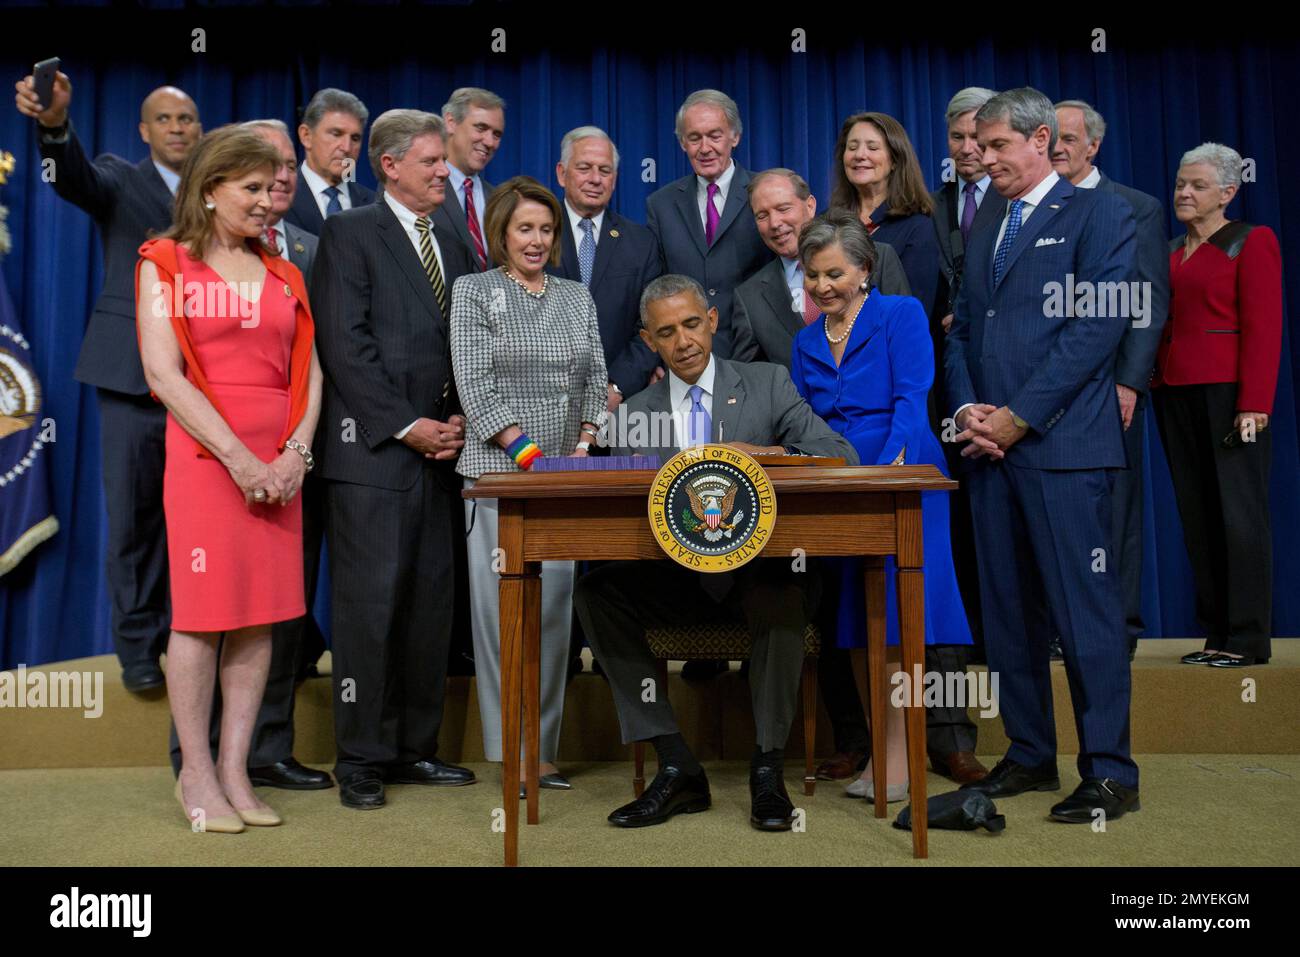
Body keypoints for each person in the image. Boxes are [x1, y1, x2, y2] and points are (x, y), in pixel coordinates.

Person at [574, 274, 858, 832]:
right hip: (680, 579)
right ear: (648, 340)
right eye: (665, 332)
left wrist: (767, 452)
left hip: (763, 571)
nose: (682, 341)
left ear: (712, 320)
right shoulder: (634, 412)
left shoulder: (768, 383)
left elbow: (838, 454)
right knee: (596, 592)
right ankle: (677, 763)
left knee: (781, 599)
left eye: (690, 324)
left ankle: (767, 770)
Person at [945, 87, 1140, 823]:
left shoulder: (1101, 212)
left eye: (996, 146)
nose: (981, 157)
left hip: (1062, 451)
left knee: (1082, 614)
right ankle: (1029, 752)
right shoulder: (988, 214)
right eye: (976, 145)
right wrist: (968, 411)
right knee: (1008, 617)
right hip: (987, 451)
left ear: (1040, 141)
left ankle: (1111, 770)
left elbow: (1097, 332)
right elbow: (962, 324)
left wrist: (1020, 417)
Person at [134, 125, 322, 832]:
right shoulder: (164, 262)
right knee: (203, 614)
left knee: (259, 614)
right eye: (252, 189)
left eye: (272, 189)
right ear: (211, 189)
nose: (268, 202)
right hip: (208, 460)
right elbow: (161, 372)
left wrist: (295, 455)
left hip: (279, 464)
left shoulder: (285, 271)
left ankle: (238, 768)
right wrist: (241, 461)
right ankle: (197, 771)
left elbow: (312, 372)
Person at [311, 109, 477, 810]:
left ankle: (415, 747)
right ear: (391, 165)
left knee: (428, 610)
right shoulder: (349, 233)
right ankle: (362, 758)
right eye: (434, 161)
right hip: (373, 456)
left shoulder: (454, 235)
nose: (446, 171)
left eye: (444, 161)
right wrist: (408, 425)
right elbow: (346, 347)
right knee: (369, 611)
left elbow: (467, 333)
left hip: (444, 457)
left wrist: (467, 413)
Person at [15, 71, 202, 693]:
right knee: (134, 519)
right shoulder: (120, 177)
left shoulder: (221, 189)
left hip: (208, 384)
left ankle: (198, 641)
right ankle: (140, 652)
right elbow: (72, 178)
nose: (178, 129)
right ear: (143, 131)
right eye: (166, 120)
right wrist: (52, 128)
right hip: (130, 380)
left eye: (187, 120)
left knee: (201, 521)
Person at [790, 211, 973, 802]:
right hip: (838, 488)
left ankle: (901, 759)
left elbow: (911, 399)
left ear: (864, 270)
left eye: (835, 273)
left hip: (903, 477)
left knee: (901, 621)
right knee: (861, 626)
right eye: (813, 275)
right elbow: (807, 422)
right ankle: (879, 752)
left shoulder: (901, 315)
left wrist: (888, 472)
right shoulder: (804, 340)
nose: (823, 286)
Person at [451, 176, 607, 793]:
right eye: (525, 229)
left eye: (546, 229)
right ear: (502, 234)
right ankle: (507, 748)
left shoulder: (575, 296)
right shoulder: (474, 291)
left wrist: (582, 447)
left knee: (551, 620)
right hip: (500, 478)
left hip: (562, 479)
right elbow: (474, 384)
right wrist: (533, 459)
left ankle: (542, 751)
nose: (537, 240)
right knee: (500, 619)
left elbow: (597, 376)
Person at [1153, 142, 1282, 668]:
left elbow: (1264, 326)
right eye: (1181, 183)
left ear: (1228, 192)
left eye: (1198, 185)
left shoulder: (1251, 241)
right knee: (1198, 515)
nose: (1184, 192)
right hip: (1175, 392)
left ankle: (1248, 639)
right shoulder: (1167, 251)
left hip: (1232, 397)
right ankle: (1216, 635)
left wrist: (1254, 404)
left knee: (1239, 516)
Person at [1053, 99, 1170, 661]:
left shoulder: (1134, 207)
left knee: (1113, 511)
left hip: (1109, 389)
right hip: (1048, 391)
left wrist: (1129, 382)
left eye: (1069, 138)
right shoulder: (1033, 207)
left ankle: (1116, 631)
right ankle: (1063, 628)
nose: (1057, 146)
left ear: (1093, 146)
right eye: (1049, 136)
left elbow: (1145, 302)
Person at [731, 168, 911, 367]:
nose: (774, 223)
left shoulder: (876, 258)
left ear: (810, 206)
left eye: (783, 209)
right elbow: (749, 382)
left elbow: (910, 351)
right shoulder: (749, 298)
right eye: (762, 216)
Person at [646, 89, 771, 361]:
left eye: (715, 135)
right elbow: (654, 288)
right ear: (682, 143)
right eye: (694, 138)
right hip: (684, 359)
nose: (705, 148)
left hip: (759, 357)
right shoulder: (661, 204)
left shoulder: (765, 193)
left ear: (734, 137)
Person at [551, 126, 663, 410]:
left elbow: (651, 325)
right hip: (543, 405)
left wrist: (616, 386)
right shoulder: (535, 234)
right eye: (584, 168)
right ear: (562, 174)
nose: (595, 179)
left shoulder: (641, 242)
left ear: (614, 180)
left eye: (605, 170)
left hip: (619, 408)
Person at [830, 111, 942, 318]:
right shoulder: (827, 221)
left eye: (872, 147)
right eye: (852, 147)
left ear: (895, 161)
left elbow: (913, 310)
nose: (860, 155)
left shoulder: (919, 226)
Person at [283, 88, 375, 234]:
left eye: (355, 138)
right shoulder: (281, 197)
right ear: (306, 136)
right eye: (336, 134)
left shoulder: (374, 204)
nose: (346, 147)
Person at [438, 87, 505, 270]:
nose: (490, 142)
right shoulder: (421, 190)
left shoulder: (500, 199)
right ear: (450, 122)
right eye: (481, 128)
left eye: (497, 134)